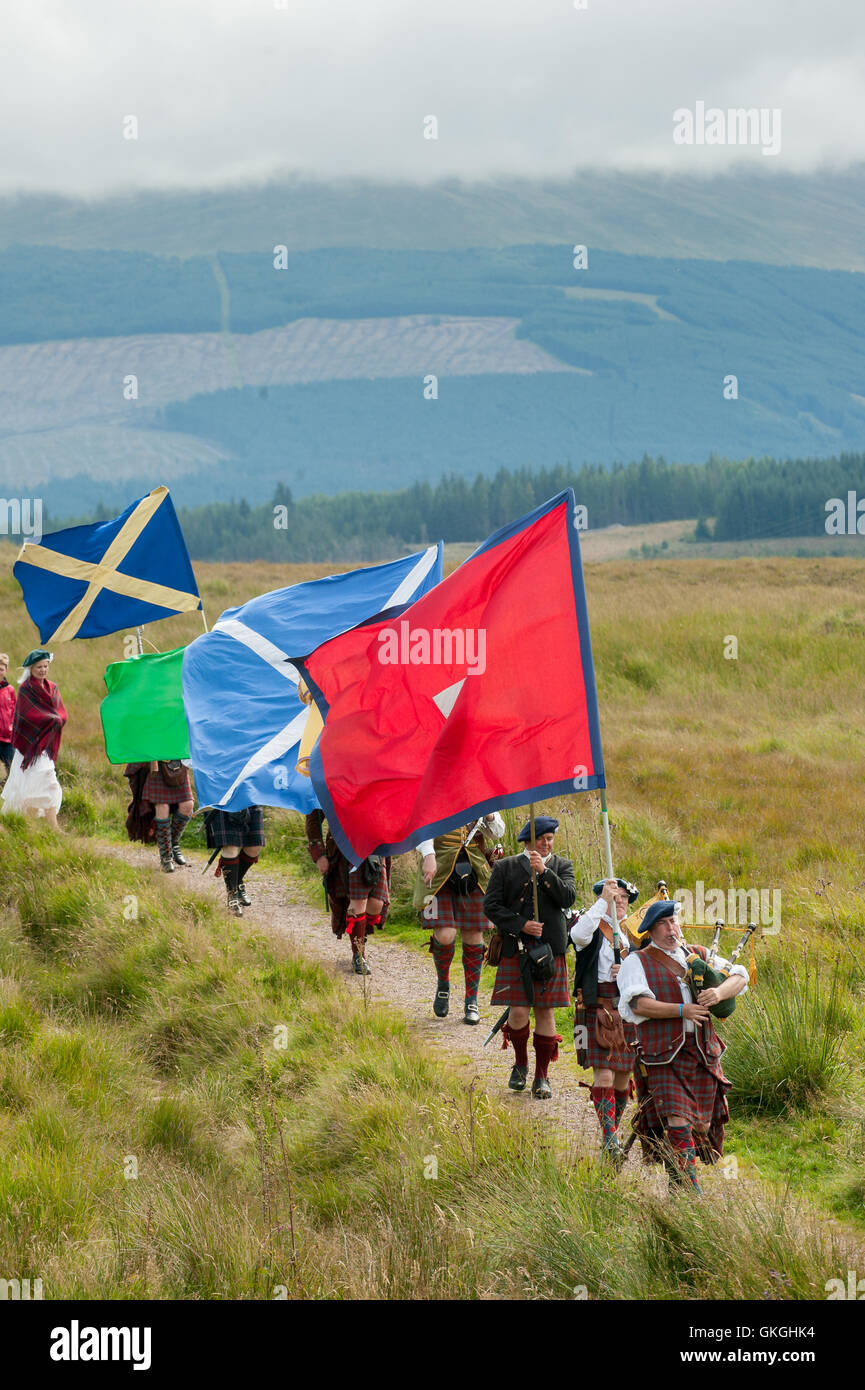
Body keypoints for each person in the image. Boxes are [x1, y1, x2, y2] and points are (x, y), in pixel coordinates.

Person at [615, 899, 748, 1193]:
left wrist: (717, 992)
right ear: (650, 931)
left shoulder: (698, 954)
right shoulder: (636, 962)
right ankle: (690, 1189)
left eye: (673, 922)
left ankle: (679, 1182)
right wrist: (681, 1010)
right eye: (662, 924)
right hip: (662, 1055)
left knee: (696, 1124)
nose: (671, 929)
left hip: (702, 1052)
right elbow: (638, 1004)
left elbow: (740, 976)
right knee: (676, 1117)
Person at [483, 816, 576, 1098]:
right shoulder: (505, 866)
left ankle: (542, 1077)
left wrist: (545, 873)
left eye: (550, 839)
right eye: (541, 839)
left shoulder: (561, 866)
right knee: (519, 1011)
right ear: (528, 841)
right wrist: (520, 924)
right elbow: (491, 906)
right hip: (516, 947)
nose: (546, 844)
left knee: (545, 1012)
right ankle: (521, 1064)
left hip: (550, 951)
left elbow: (568, 899)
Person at [570, 876, 640, 1162]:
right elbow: (576, 937)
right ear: (602, 897)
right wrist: (603, 902)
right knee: (605, 1074)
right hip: (594, 1007)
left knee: (623, 1078)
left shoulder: (628, 937)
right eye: (615, 895)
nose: (620, 901)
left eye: (624, 897)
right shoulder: (590, 926)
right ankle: (610, 1139)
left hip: (623, 1011)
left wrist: (624, 971)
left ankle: (611, 1130)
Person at [413, 813, 504, 1024]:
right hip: (440, 867)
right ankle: (443, 984)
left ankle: (471, 1000)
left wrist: (489, 815)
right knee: (445, 935)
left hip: (474, 871)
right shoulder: (433, 790)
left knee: (474, 935)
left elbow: (497, 832)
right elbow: (421, 823)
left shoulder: (479, 790)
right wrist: (428, 854)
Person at [306, 809, 391, 975]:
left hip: (375, 843)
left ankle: (360, 933)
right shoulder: (328, 782)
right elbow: (313, 819)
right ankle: (358, 954)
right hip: (344, 845)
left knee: (376, 904)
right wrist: (319, 854)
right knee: (358, 901)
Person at [1, 649, 66, 829]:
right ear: (31, 668)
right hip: (29, 748)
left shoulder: (52, 687)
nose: (43, 670)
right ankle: (29, 826)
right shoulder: (25, 689)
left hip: (45, 747)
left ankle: (53, 827)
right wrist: (51, 719)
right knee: (29, 786)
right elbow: (26, 716)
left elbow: (60, 712)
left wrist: (56, 719)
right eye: (39, 667)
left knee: (49, 782)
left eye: (45, 666)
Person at [204, 806, 265, 916]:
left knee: (254, 847)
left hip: (248, 795)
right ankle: (232, 894)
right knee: (230, 847)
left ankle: (237, 882)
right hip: (221, 798)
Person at [138, 761, 194, 872]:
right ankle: (166, 856)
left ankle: (173, 844)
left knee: (187, 805)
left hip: (178, 763)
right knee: (162, 807)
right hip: (156, 762)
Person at [0, 653, 16, 776]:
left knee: (13, 769)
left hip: (7, 738)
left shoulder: (10, 689)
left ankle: (5, 791)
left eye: (1, 669)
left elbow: (15, 711)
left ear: (6, 670)